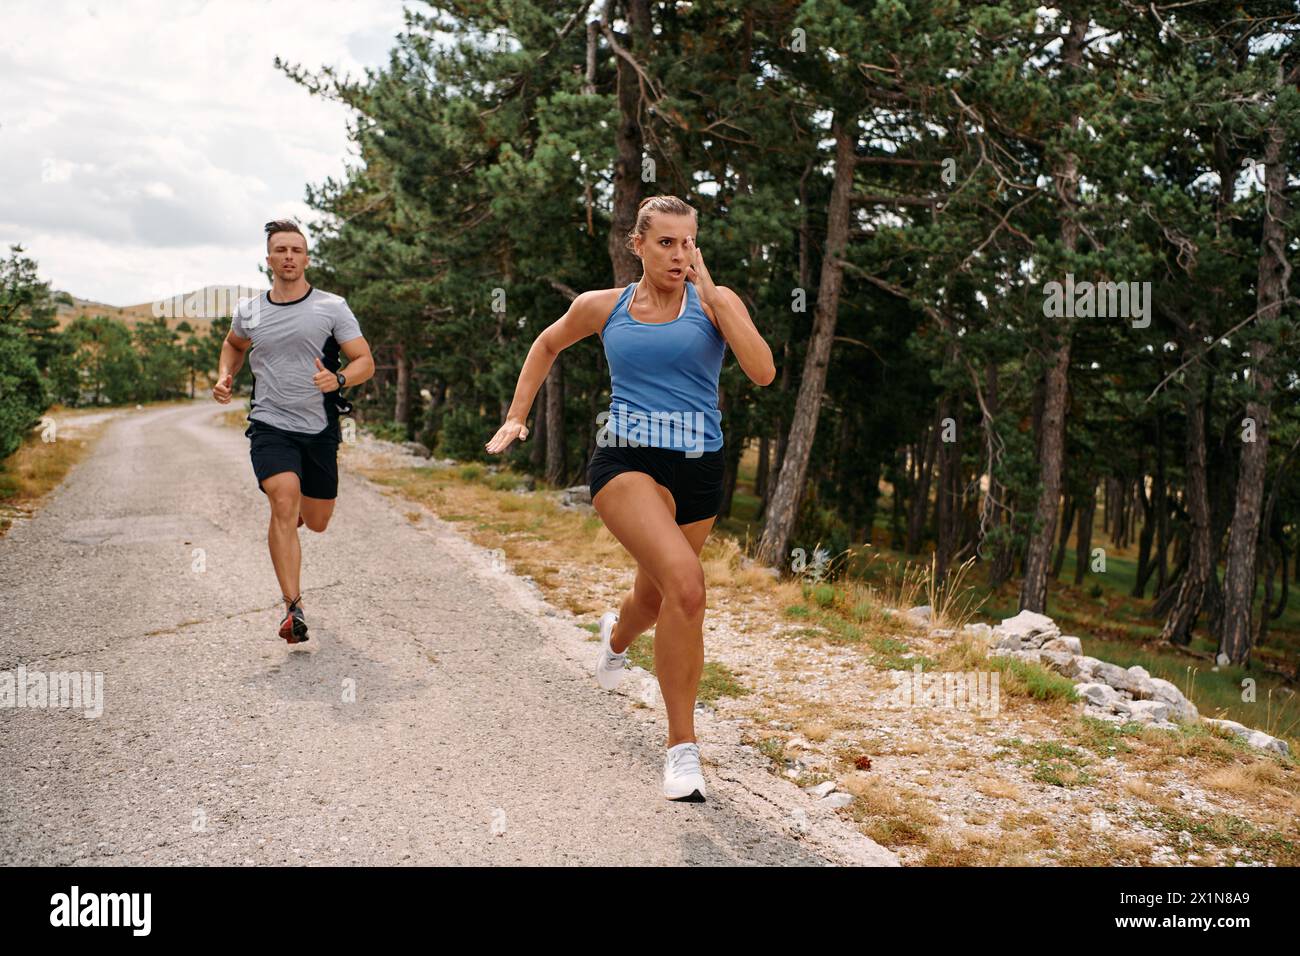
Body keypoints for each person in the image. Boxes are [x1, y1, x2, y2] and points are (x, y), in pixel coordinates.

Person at [485, 195, 775, 800]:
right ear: (636, 245)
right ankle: (681, 751)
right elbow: (545, 344)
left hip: (700, 468)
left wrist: (717, 295)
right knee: (688, 586)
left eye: (688, 241)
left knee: (654, 597)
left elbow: (762, 371)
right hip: (626, 460)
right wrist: (517, 416)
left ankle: (616, 638)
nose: (678, 253)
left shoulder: (715, 305)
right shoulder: (604, 305)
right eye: (665, 242)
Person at [212, 219, 375, 644]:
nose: (288, 257)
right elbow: (233, 345)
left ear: (306, 258)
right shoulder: (250, 311)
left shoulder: (332, 307)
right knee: (282, 500)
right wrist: (225, 376)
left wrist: (339, 380)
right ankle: (293, 607)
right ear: (268, 259)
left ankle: (299, 512)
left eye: (296, 250)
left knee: (316, 521)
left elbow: (364, 361)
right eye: (280, 250)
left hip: (319, 427)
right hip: (270, 424)